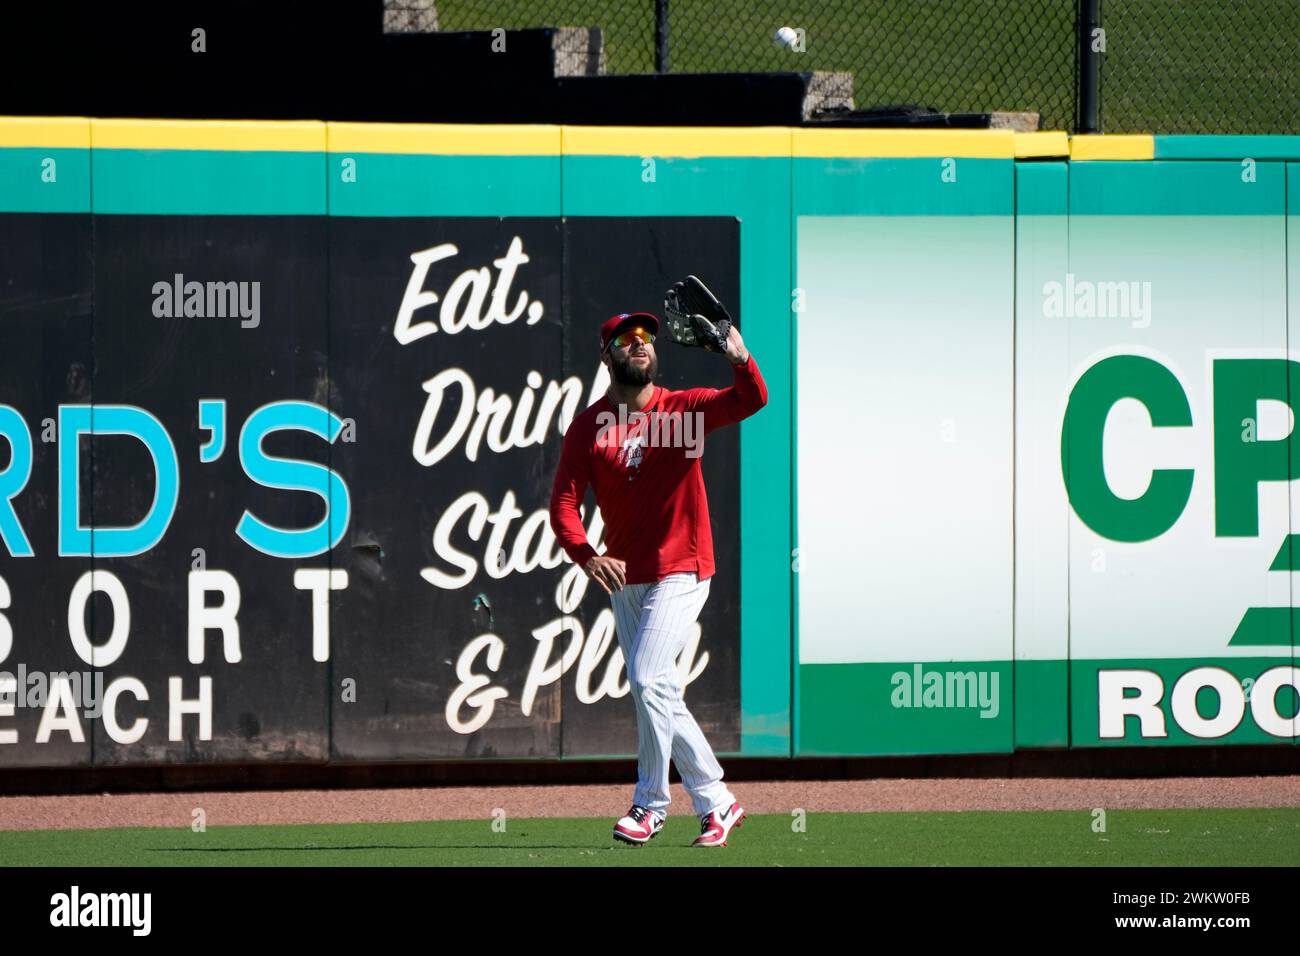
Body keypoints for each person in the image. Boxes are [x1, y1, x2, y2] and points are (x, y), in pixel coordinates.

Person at [548, 309, 768, 847]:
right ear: (608, 355)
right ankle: (717, 800)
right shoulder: (589, 427)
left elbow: (751, 399)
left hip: (683, 567)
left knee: (647, 678)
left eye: (647, 336)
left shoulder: (684, 409)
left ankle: (650, 802)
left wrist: (739, 357)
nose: (640, 344)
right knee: (662, 689)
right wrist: (585, 554)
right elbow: (564, 505)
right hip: (626, 577)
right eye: (627, 338)